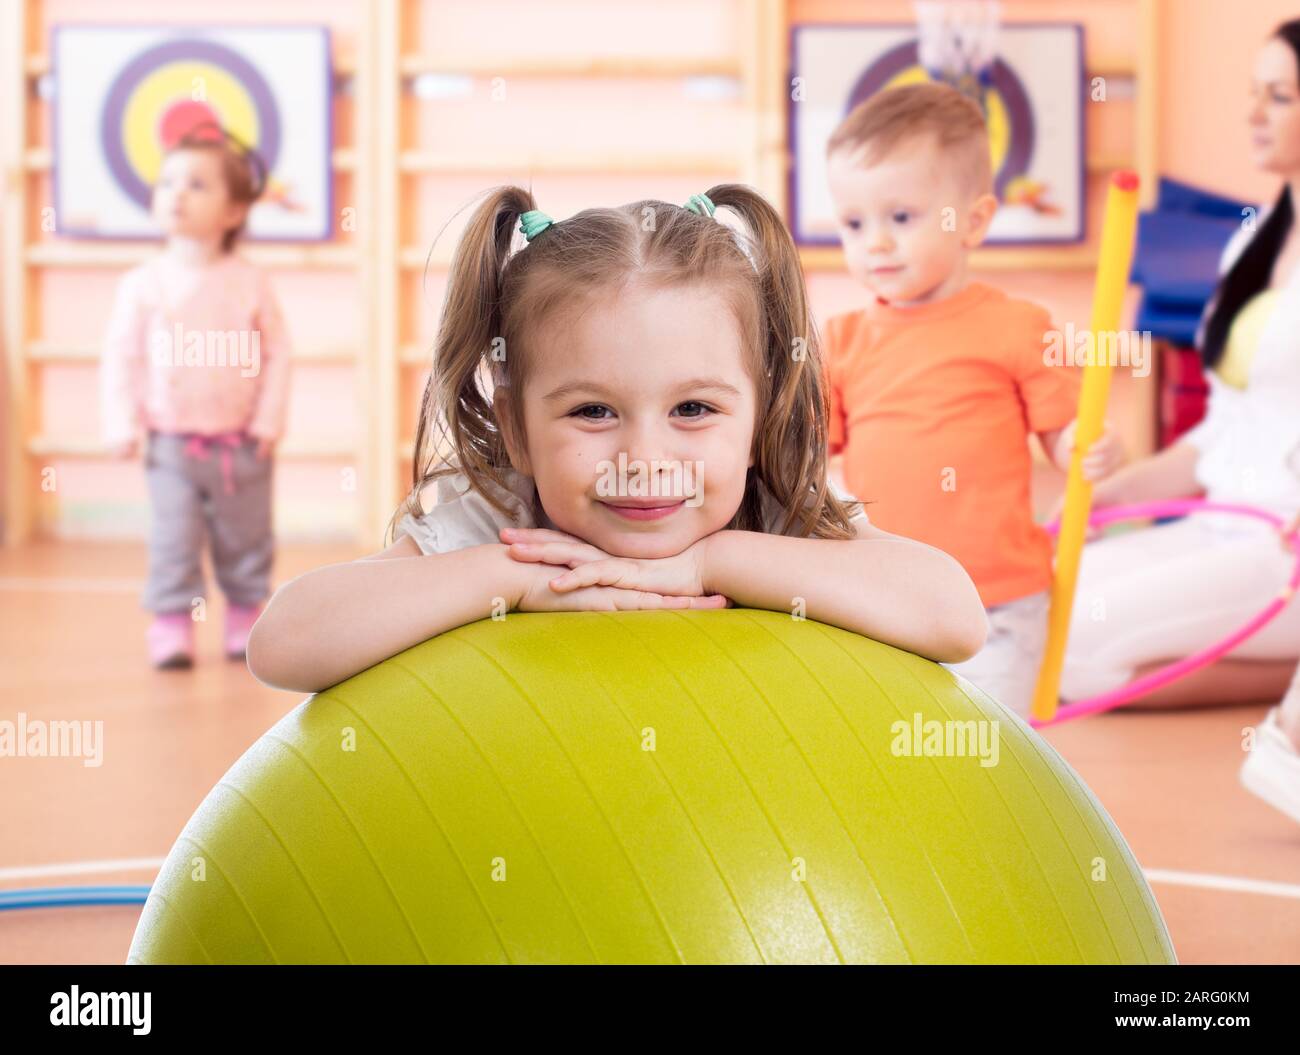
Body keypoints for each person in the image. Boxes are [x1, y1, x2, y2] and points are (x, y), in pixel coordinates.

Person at [246, 185, 988, 695]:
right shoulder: (497, 527)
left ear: (760, 419)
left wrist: (713, 561)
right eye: (594, 412)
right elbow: (284, 641)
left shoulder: (775, 512)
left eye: (693, 408)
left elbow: (953, 616)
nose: (645, 461)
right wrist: (518, 582)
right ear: (517, 427)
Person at [822, 82, 1123, 717]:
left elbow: (1065, 441)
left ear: (975, 221)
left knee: (993, 755)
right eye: (854, 223)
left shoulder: (1017, 326)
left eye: (900, 218)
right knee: (891, 744)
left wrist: (1088, 450)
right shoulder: (839, 341)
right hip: (883, 593)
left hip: (1000, 602)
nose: (873, 242)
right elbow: (804, 459)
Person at [100, 125, 290, 669]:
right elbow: (122, 355)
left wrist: (267, 421)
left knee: (246, 536)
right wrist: (122, 423)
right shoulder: (143, 283)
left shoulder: (250, 282)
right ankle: (171, 623)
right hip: (170, 445)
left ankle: (245, 616)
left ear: (233, 212)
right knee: (173, 538)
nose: (176, 194)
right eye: (167, 183)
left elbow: (278, 353)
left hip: (242, 445)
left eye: (197, 184)